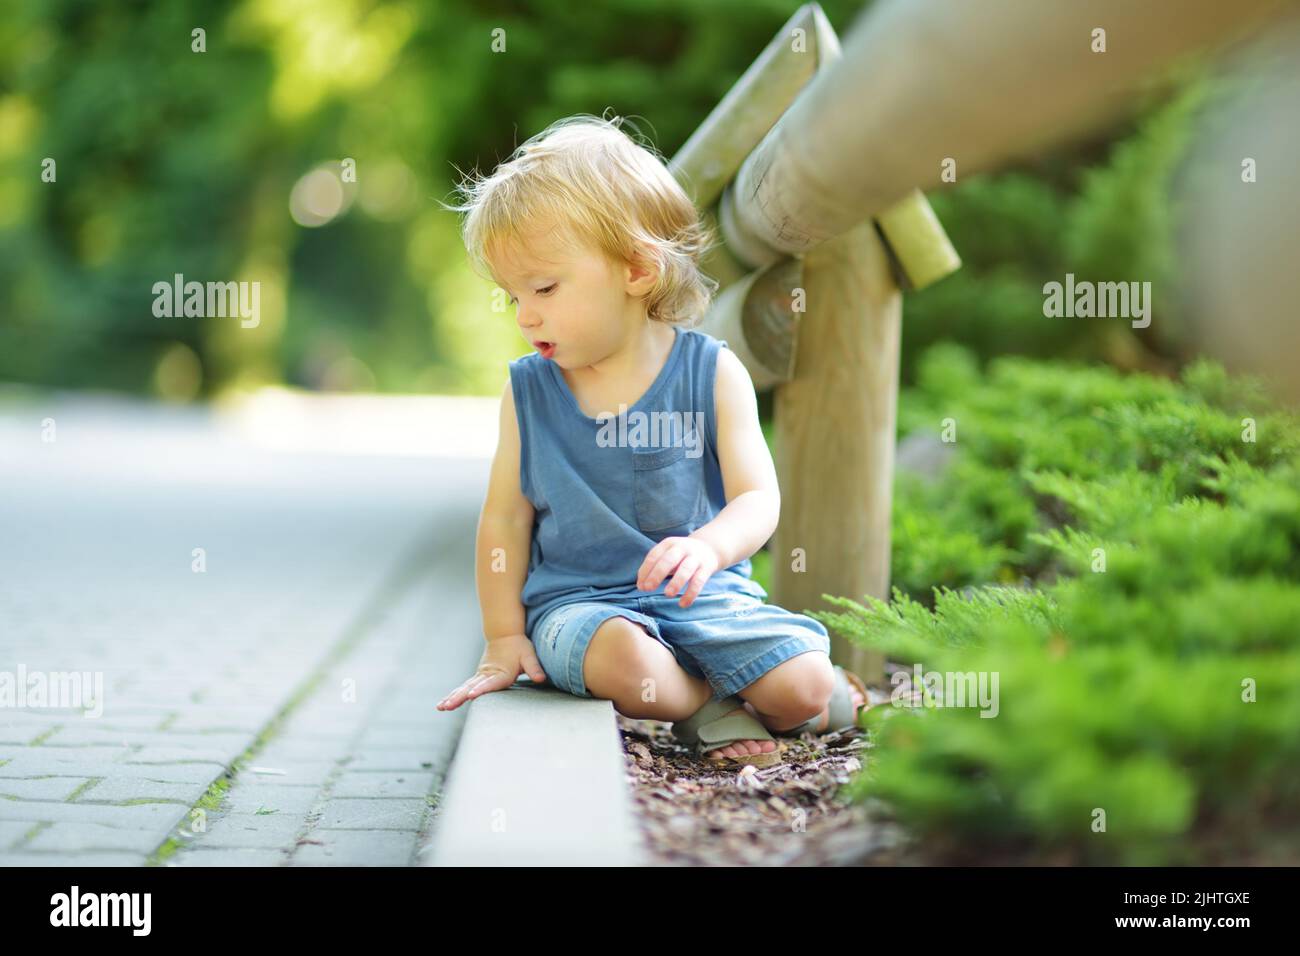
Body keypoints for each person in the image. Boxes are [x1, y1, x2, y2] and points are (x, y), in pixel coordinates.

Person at [436, 114, 868, 768]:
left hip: (705, 596)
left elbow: (758, 499)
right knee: (628, 661)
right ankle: (706, 705)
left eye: (545, 287)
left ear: (637, 270)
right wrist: (503, 637)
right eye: (512, 295)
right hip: (583, 611)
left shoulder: (712, 373)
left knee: (803, 684)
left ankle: (775, 696)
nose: (525, 314)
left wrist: (708, 547)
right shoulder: (528, 393)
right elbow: (504, 519)